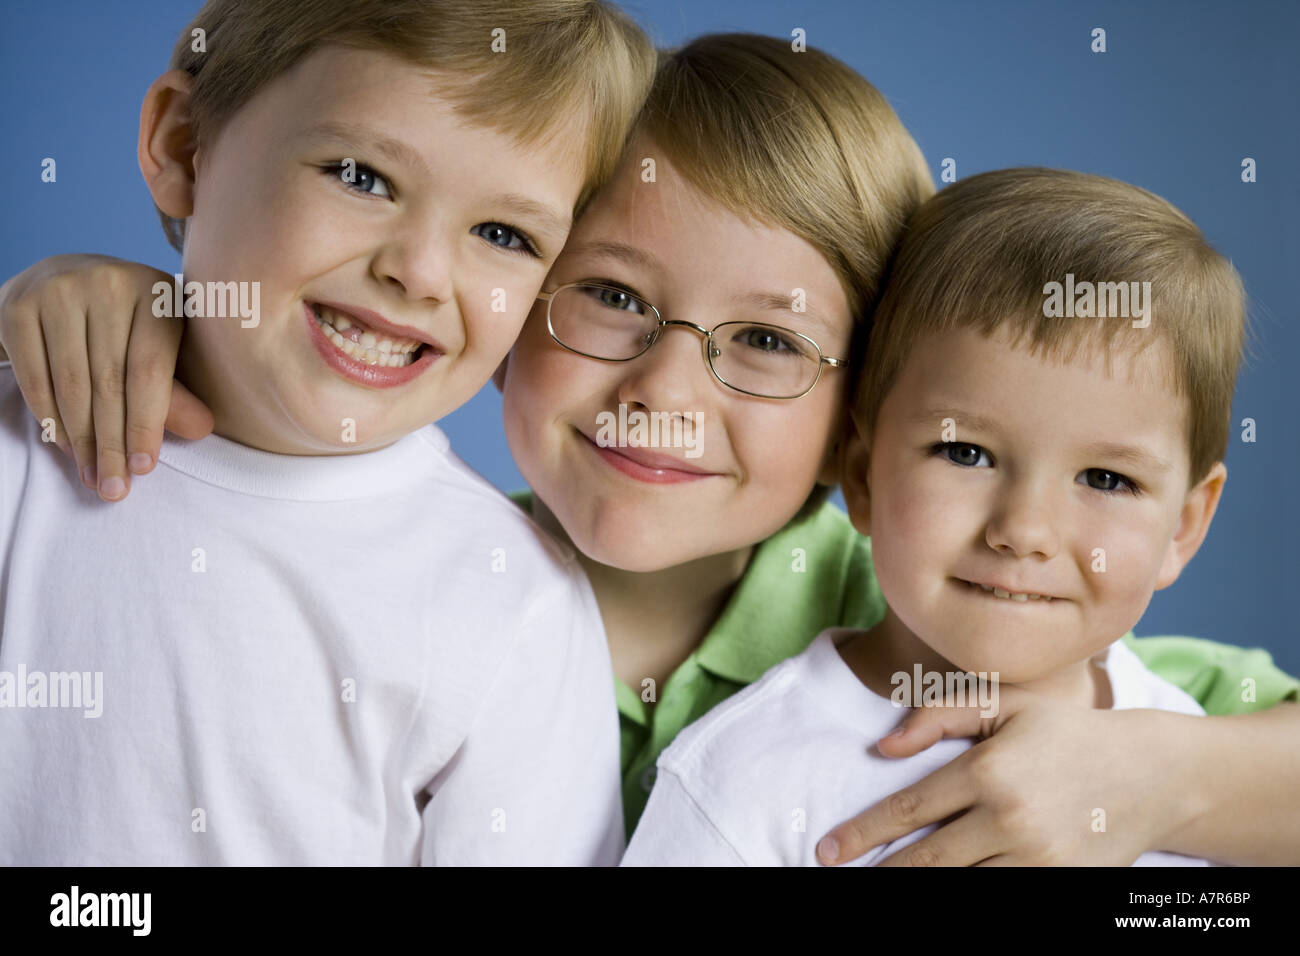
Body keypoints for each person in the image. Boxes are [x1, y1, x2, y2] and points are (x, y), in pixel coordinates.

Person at [4, 34, 1298, 867]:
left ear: (862, 419)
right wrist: (125, 299)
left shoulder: (928, 611)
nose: (669, 390)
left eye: (769, 342)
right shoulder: (429, 587)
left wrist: (1155, 778)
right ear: (513, 295)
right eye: (613, 297)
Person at [0, 0, 656, 865]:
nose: (418, 271)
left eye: (503, 234)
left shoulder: (514, 606)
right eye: (360, 176)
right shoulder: (22, 447)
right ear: (182, 146)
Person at [621, 168, 1253, 865]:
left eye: (1107, 478)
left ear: (1185, 526)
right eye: (965, 452)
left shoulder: (1194, 762)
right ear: (863, 475)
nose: (1024, 530)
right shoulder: (739, 782)